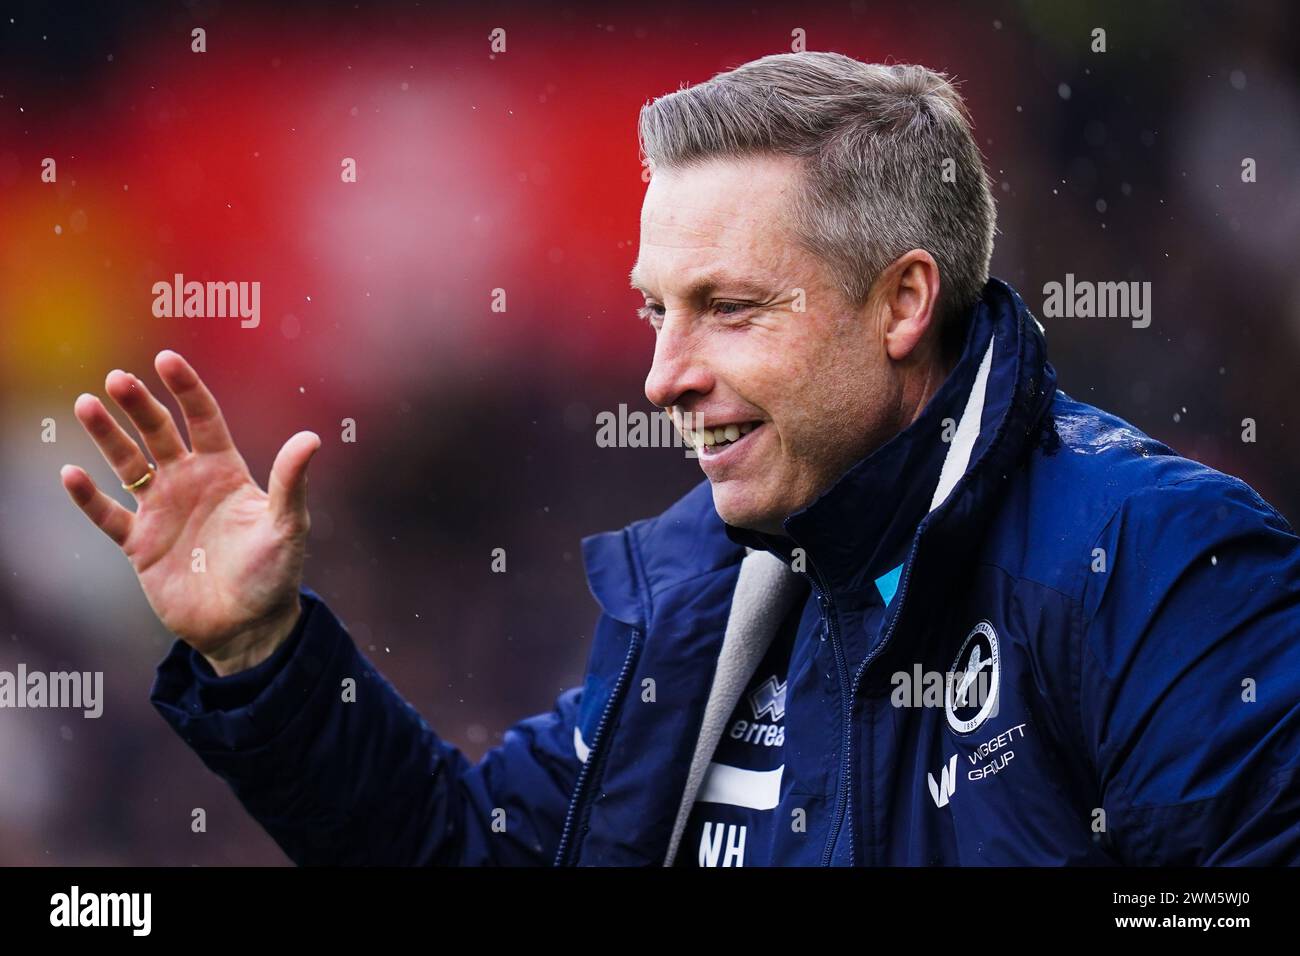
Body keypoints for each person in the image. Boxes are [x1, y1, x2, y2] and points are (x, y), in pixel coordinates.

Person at [60, 52, 1300, 866]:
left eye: (729, 306)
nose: (663, 375)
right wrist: (263, 653)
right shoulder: (702, 593)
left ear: (901, 301)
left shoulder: (1158, 561)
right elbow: (470, 852)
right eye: (657, 310)